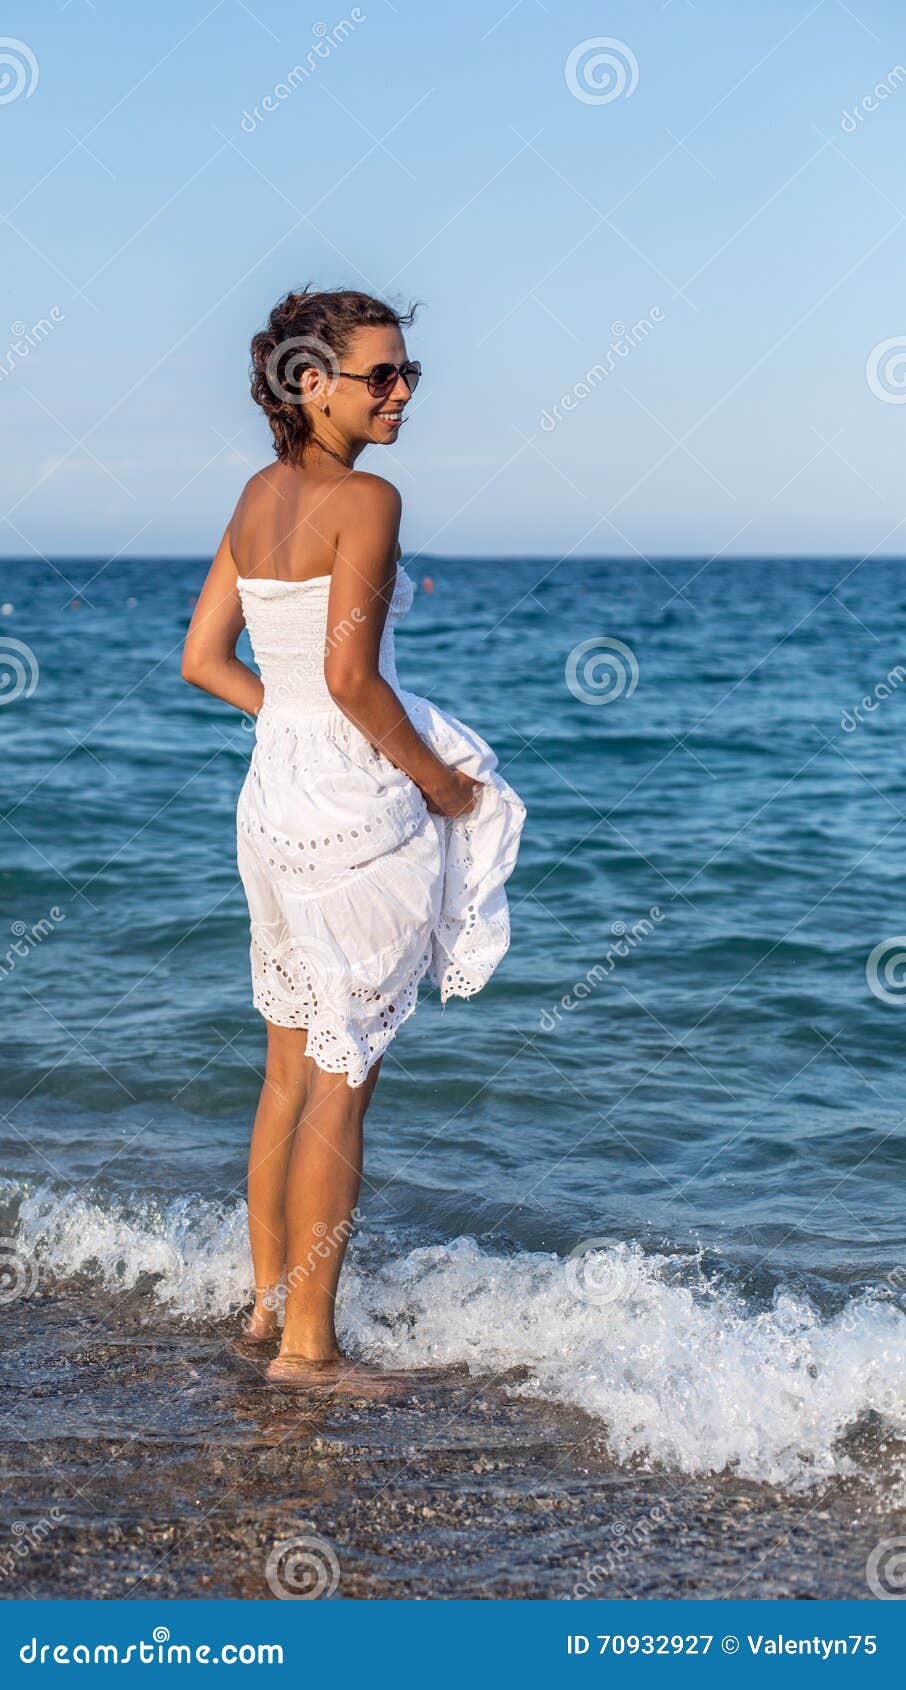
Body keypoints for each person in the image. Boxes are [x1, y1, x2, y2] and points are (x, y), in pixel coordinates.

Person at [181, 287, 525, 1384]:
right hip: (346, 806)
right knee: (345, 1078)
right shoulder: (366, 501)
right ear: (308, 382)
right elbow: (350, 677)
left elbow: (204, 660)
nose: (403, 392)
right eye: (383, 375)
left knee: (291, 1065)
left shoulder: (254, 496)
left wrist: (287, 724)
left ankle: (267, 1311)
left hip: (273, 796)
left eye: (408, 371)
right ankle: (309, 1352)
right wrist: (441, 785)